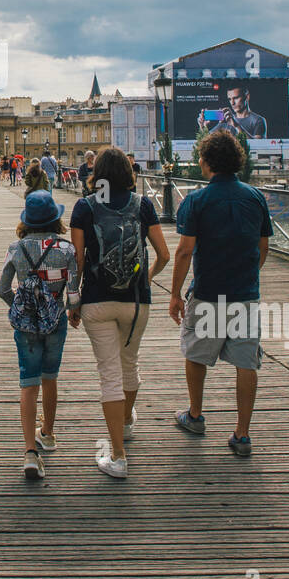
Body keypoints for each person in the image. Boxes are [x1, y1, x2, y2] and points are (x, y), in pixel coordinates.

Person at [169, 130, 273, 458]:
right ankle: (242, 434)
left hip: (208, 292)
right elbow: (263, 246)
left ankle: (196, 415)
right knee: (247, 363)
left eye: (201, 156)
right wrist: (249, 274)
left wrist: (174, 293)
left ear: (208, 161)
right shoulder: (255, 197)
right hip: (245, 292)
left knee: (196, 354)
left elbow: (185, 251)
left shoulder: (197, 201)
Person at [69, 148, 170, 479]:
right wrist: (145, 278)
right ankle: (126, 422)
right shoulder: (143, 204)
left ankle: (118, 456)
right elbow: (164, 254)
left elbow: (79, 262)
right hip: (137, 301)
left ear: (96, 172)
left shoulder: (84, 206)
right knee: (130, 364)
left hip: (97, 301)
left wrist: (73, 301)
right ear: (128, 172)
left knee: (109, 374)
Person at [0, 191, 80, 481]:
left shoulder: (15, 248)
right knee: (50, 378)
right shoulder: (68, 249)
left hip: (26, 325)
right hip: (55, 320)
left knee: (28, 383)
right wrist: (71, 310)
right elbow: (74, 293)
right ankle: (48, 433)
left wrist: (20, 307)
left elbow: (3, 290)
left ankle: (30, 452)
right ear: (56, 219)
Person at [198, 87, 267, 139]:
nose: (232, 103)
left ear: (247, 97)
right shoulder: (226, 119)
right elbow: (206, 141)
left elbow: (258, 146)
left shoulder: (258, 120)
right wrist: (203, 127)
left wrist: (236, 125)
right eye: (230, 99)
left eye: (236, 98)